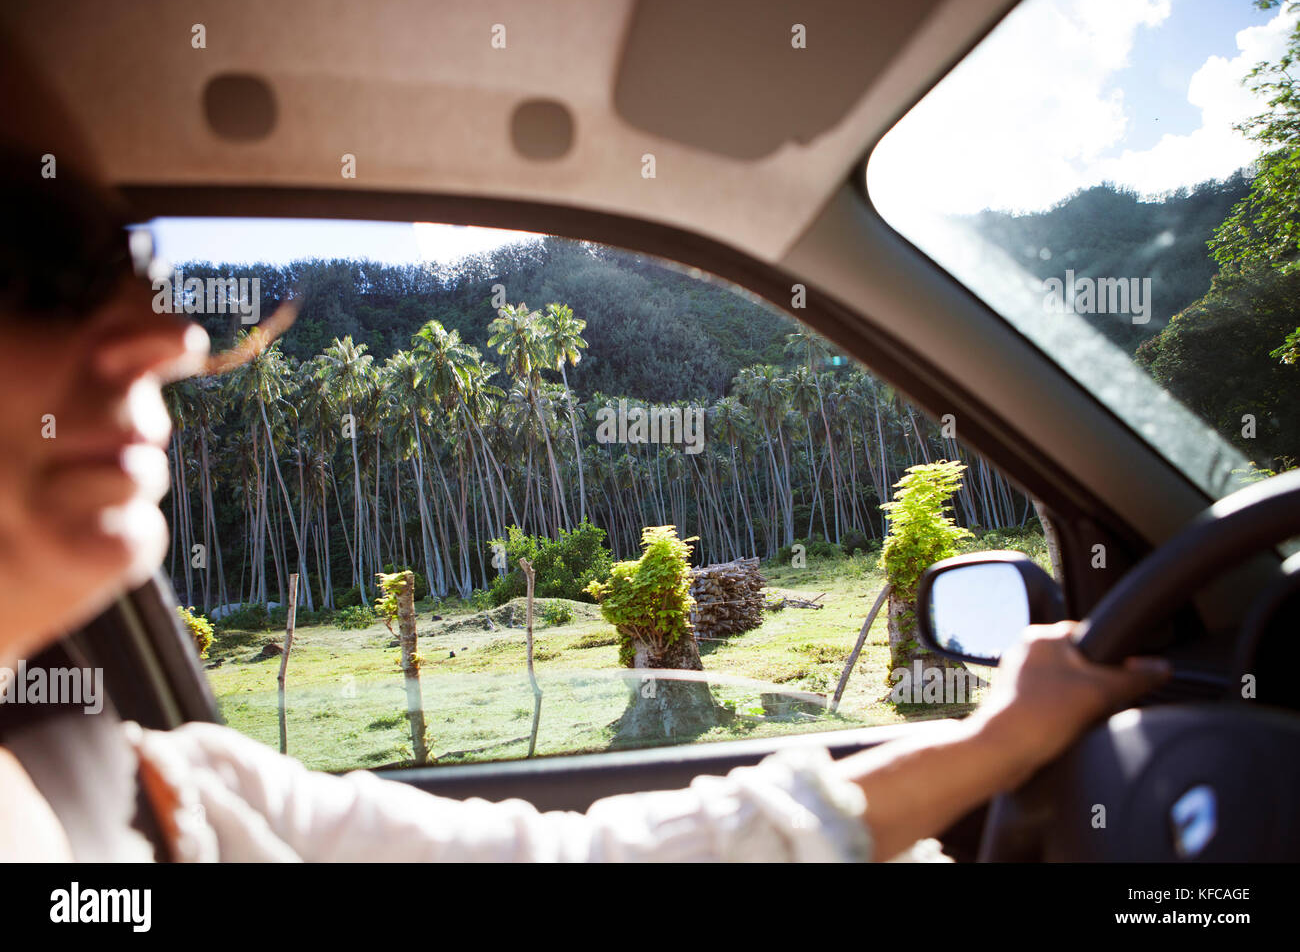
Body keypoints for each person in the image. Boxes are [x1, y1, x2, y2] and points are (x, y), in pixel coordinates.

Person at [0, 117, 1171, 864]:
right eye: (43, 267)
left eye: (140, 267)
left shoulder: (185, 797)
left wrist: (1000, 736)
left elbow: (596, 859)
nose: (161, 333)